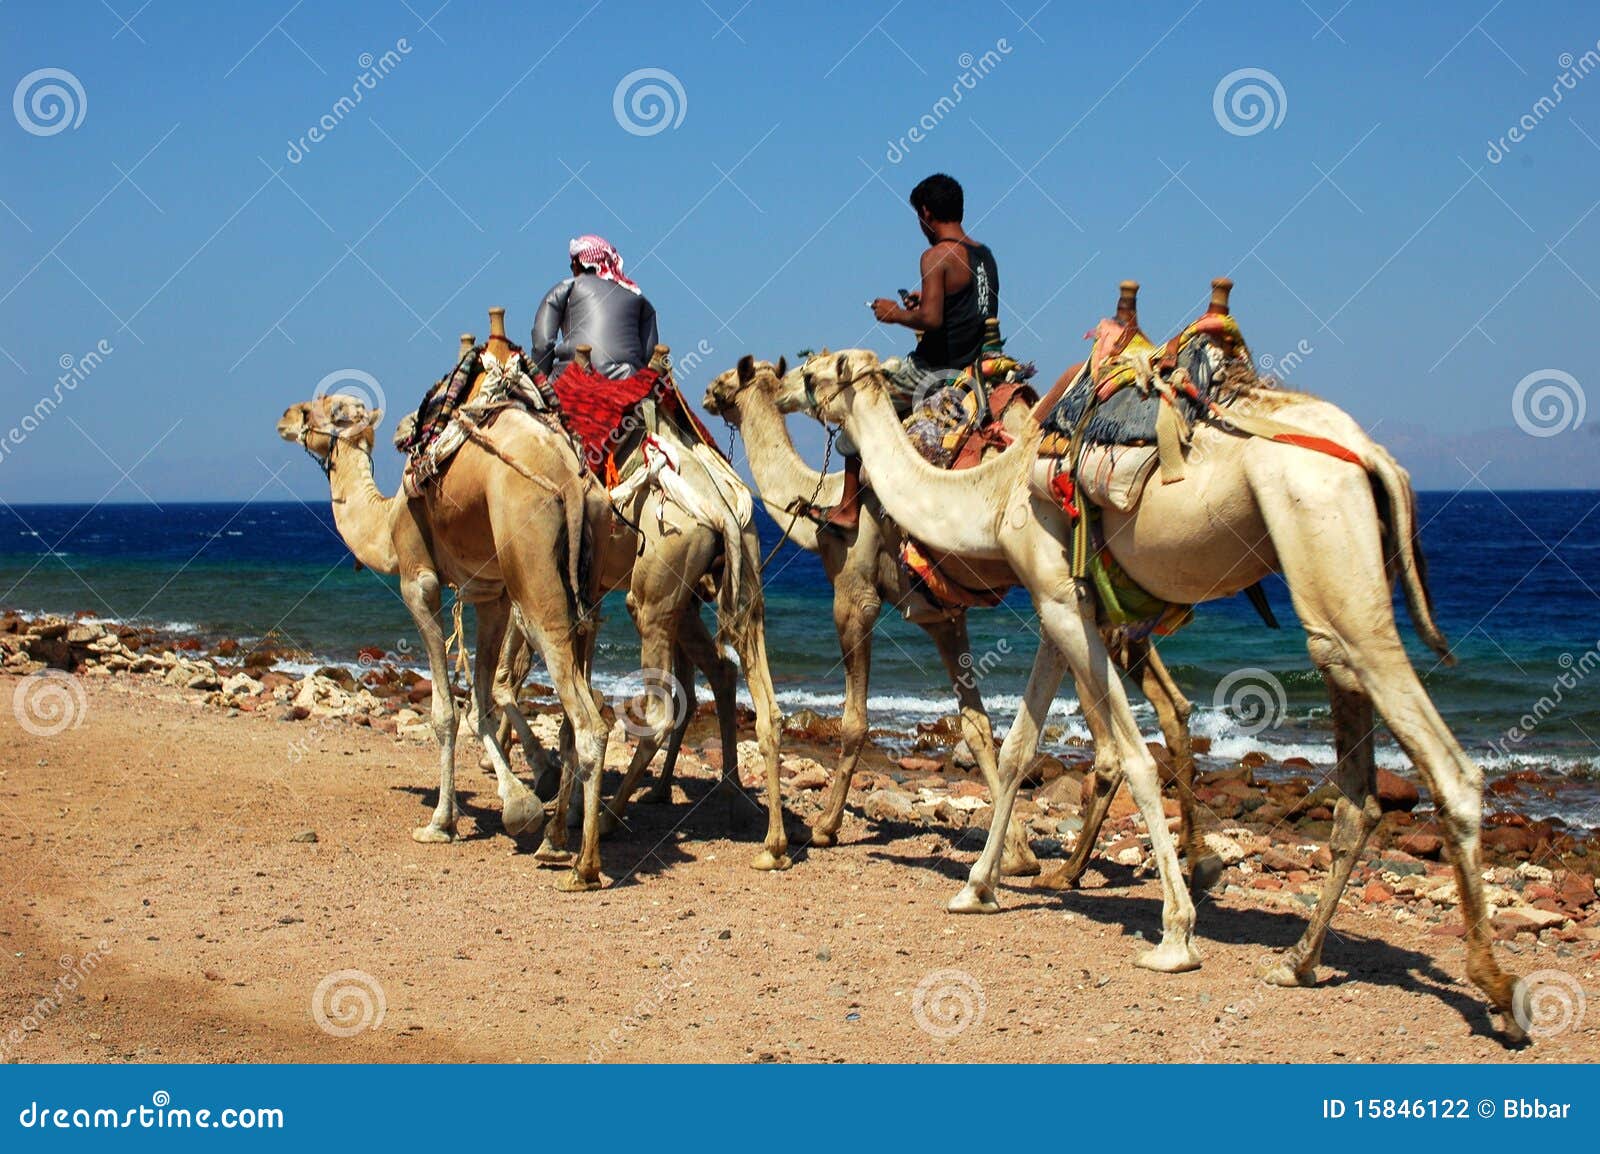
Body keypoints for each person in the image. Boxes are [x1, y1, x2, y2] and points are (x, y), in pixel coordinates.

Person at [812, 173, 999, 531]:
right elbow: (968, 311)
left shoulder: (935, 256)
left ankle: (849, 508)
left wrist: (894, 313)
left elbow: (930, 318)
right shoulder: (983, 257)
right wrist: (925, 301)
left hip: (932, 369)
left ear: (926, 213)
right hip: (973, 363)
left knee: (856, 407)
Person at [531, 235, 660, 380]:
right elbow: (650, 353)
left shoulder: (568, 287)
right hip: (629, 379)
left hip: (574, 376)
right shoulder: (636, 297)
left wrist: (540, 377)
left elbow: (542, 343)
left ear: (577, 262)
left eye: (572, 265)